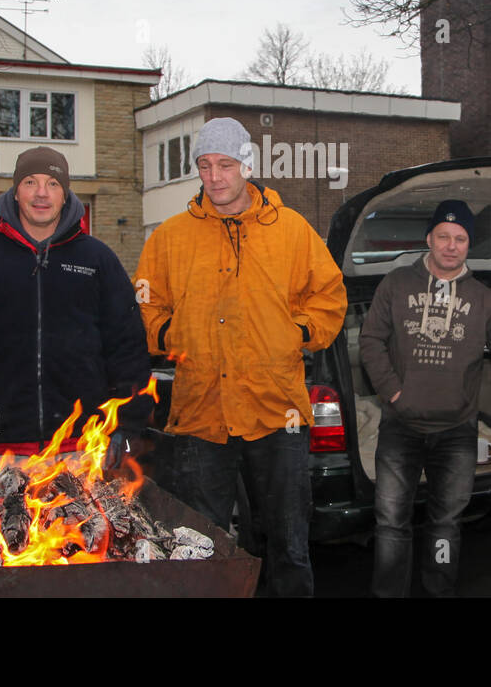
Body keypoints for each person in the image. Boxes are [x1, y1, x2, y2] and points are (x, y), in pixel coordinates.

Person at [134, 117, 347, 596]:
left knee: (287, 542)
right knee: (202, 545)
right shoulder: (171, 237)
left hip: (277, 413)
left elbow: (330, 296)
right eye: (205, 166)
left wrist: (297, 332)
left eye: (225, 165)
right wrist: (169, 332)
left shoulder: (290, 230)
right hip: (201, 415)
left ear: (246, 166)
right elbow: (145, 303)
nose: (214, 177)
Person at [360, 199, 491, 597]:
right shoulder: (397, 284)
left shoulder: (482, 298)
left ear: (468, 245)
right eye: (444, 236)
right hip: (401, 426)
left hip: (456, 431)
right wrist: (393, 391)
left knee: (445, 525)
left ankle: (439, 592)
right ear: (429, 239)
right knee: (390, 522)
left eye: (460, 239)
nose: (451, 246)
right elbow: (371, 341)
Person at [0, 147, 151, 455]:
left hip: (80, 447)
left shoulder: (96, 259)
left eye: (52, 184)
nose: (42, 193)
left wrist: (126, 425)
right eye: (30, 182)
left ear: (65, 194)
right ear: (15, 192)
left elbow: (127, 347)